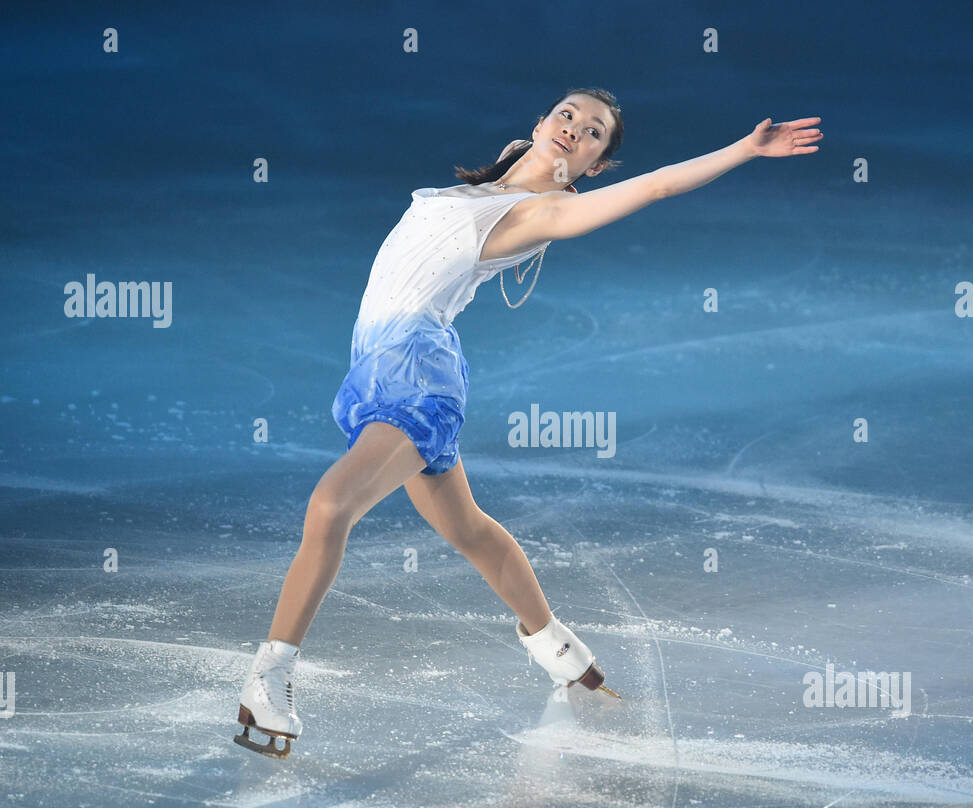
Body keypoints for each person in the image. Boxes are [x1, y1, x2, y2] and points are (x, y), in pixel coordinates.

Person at [235, 87, 823, 757]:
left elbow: (658, 186)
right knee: (471, 531)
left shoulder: (543, 212)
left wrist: (746, 149)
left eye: (595, 133)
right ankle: (554, 645)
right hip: (380, 361)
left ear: (599, 165)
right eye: (568, 115)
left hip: (415, 376)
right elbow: (511, 167)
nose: (575, 130)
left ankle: (271, 676)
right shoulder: (493, 185)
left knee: (330, 506)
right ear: (541, 122)